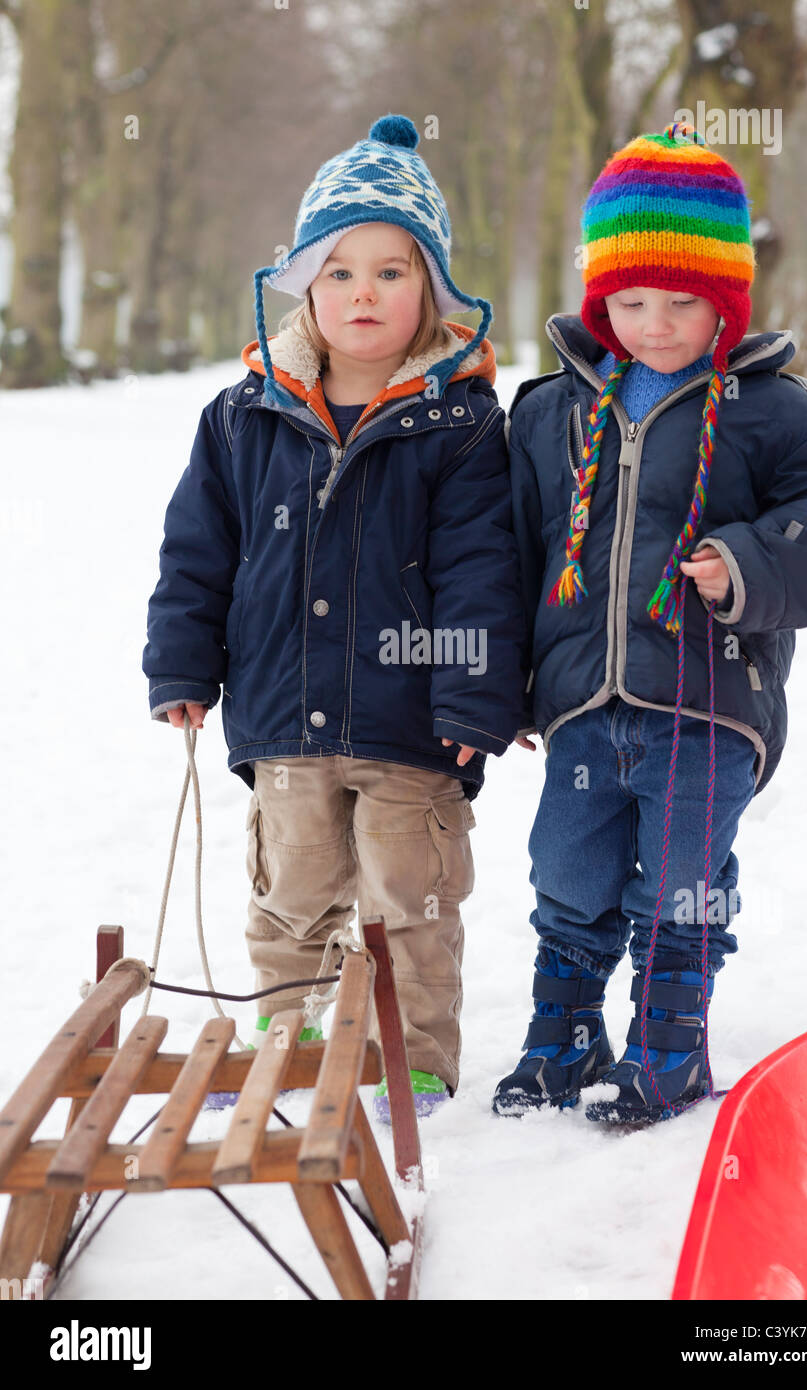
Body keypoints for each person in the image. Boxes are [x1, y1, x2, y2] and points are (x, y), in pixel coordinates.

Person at [142, 114, 526, 1120]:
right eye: (340, 271)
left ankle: (414, 1058)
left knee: (413, 903)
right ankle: (288, 1044)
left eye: (392, 272)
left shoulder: (460, 424)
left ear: (432, 291)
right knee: (291, 899)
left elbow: (483, 570)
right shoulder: (242, 416)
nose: (364, 293)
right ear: (304, 285)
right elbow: (197, 555)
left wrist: (472, 698)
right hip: (281, 710)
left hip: (412, 724)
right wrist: (183, 666)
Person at [495, 121, 807, 1125]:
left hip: (705, 702)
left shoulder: (775, 410)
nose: (651, 324)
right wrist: (501, 682)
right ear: (597, 297)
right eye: (627, 300)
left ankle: (668, 1049)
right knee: (566, 869)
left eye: (679, 302)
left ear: (725, 301)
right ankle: (563, 1036)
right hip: (580, 698)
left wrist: (745, 561)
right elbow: (509, 555)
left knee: (680, 881)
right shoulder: (546, 412)